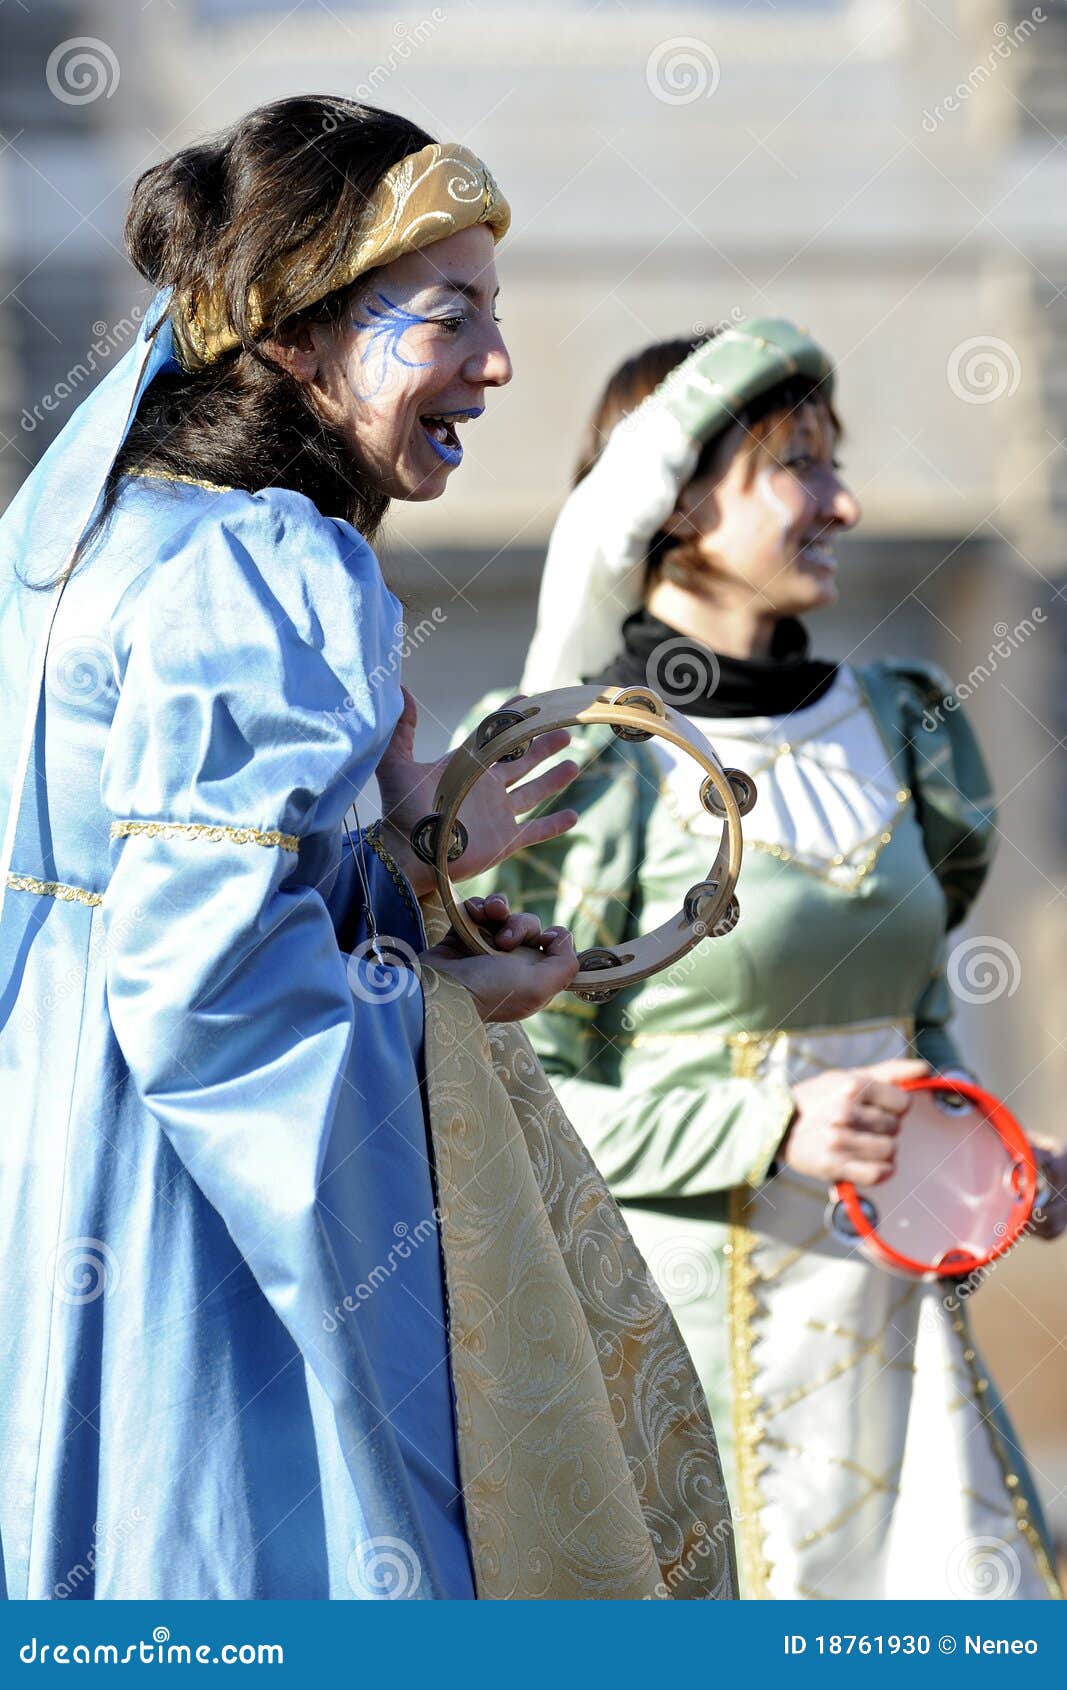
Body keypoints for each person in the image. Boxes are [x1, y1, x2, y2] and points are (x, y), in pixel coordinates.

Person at [0, 99, 735, 1601]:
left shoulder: (107, 537)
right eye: (447, 314)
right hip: (195, 1241)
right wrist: (442, 1008)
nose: (497, 360)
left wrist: (403, 869)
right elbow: (205, 996)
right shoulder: (262, 566)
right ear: (295, 340)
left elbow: (148, 894)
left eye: (496, 311)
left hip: (54, 1164)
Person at [461, 321, 1067, 1599]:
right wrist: (761, 1128)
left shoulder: (902, 721)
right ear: (673, 499)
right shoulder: (571, 769)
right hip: (680, 1360)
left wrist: (990, 1154)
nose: (841, 502)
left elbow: (911, 1025)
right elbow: (508, 1107)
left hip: (902, 1345)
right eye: (797, 466)